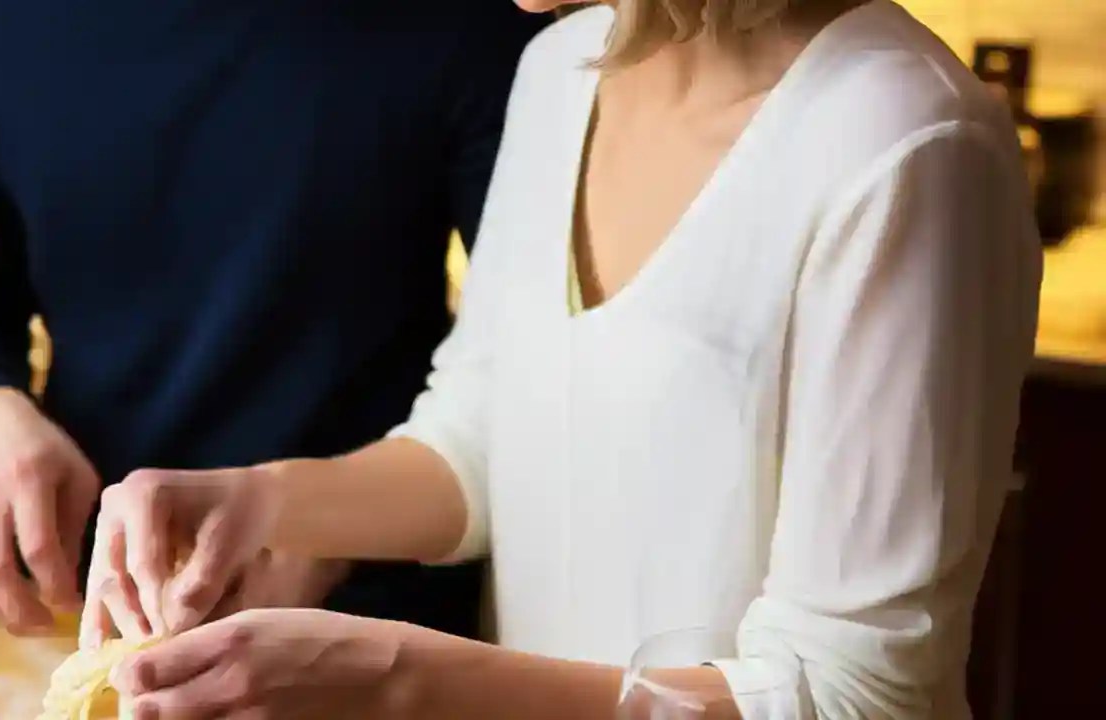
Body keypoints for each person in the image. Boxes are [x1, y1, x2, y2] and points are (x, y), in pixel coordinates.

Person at [85, 0, 1043, 718]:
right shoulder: (559, 71)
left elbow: (852, 696)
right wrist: (262, 503)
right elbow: (482, 442)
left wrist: (397, 678)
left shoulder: (906, 144)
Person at [0, 1, 546, 639]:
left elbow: (538, 361)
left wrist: (330, 528)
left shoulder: (479, 15)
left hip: (386, 604)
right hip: (102, 603)